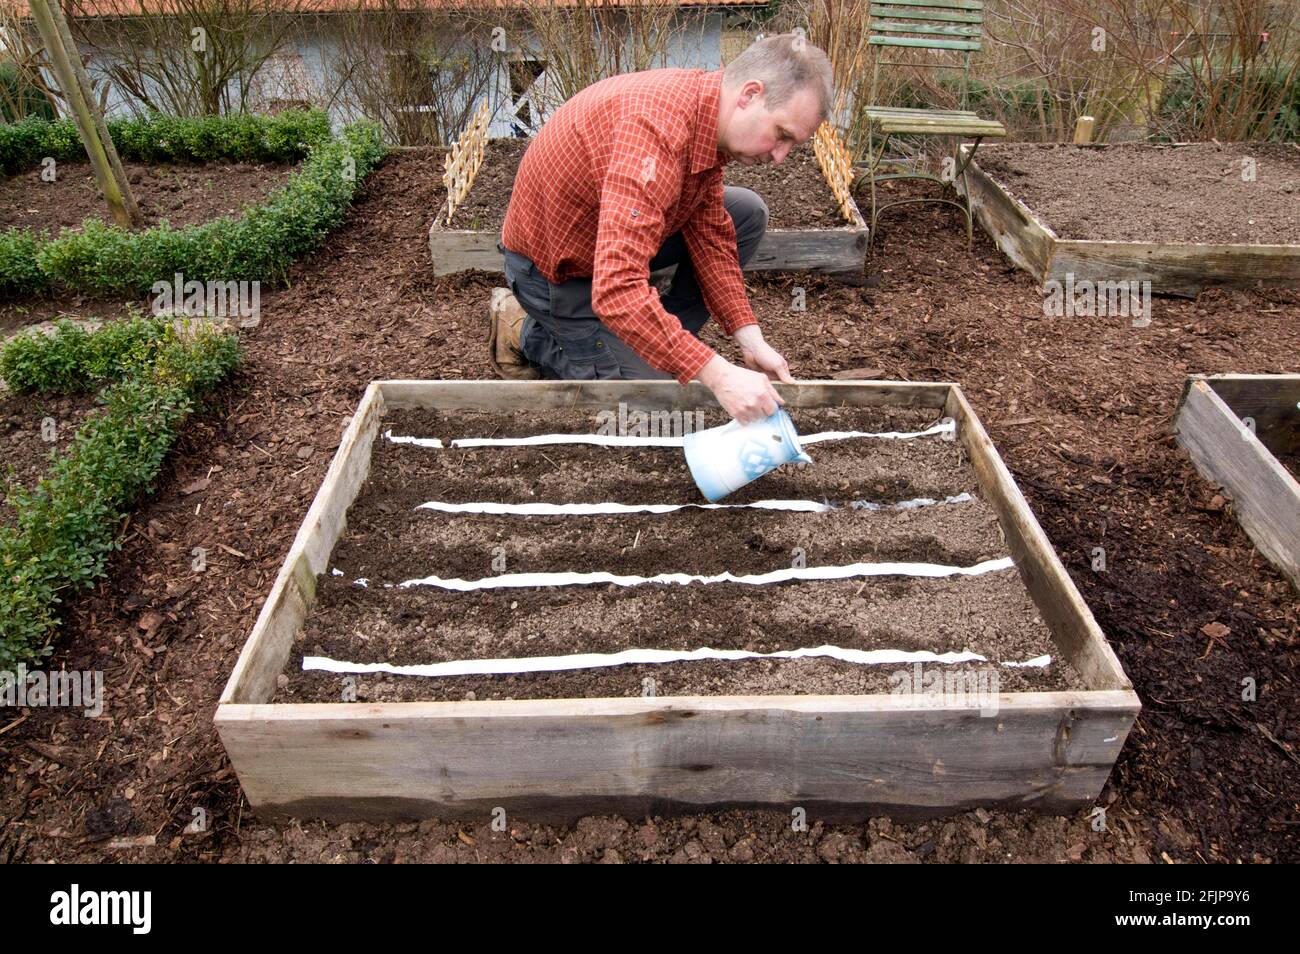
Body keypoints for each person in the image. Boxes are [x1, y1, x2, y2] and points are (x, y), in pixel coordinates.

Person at [490, 33, 833, 424]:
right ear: (750, 94)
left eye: (792, 144)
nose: (780, 156)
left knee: (745, 213)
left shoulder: (707, 118)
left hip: (608, 246)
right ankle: (524, 331)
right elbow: (617, 289)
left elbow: (711, 235)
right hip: (557, 276)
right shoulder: (654, 132)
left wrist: (748, 336)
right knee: (648, 404)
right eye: (782, 134)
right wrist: (717, 373)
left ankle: (650, 341)